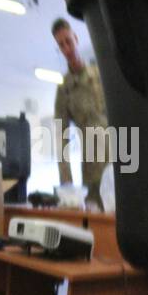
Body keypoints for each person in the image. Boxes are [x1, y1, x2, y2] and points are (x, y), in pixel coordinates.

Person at [51, 18, 110, 209]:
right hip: (92, 170)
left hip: (118, 162)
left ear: (76, 38)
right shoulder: (65, 89)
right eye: (61, 45)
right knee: (96, 226)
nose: (67, 48)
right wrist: (67, 183)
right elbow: (61, 138)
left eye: (68, 41)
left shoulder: (102, 75)